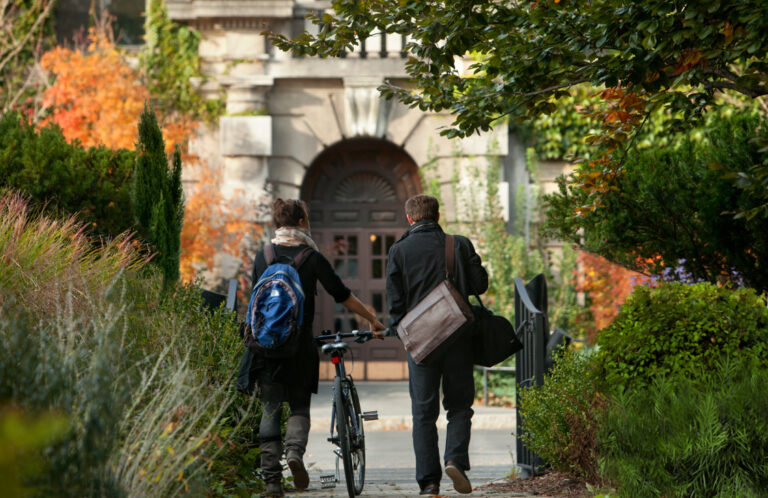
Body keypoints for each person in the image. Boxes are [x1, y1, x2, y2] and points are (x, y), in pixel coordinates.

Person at [251, 198, 386, 497]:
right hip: (299, 345)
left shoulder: (264, 255)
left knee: (270, 408)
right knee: (299, 405)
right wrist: (372, 318)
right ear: (301, 222)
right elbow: (342, 294)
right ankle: (295, 453)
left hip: (266, 346)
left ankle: (272, 482)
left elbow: (253, 302)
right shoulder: (310, 257)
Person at [385, 194, 488, 496]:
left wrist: (400, 331)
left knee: (423, 413)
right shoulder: (458, 244)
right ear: (438, 215)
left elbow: (395, 303)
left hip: (421, 343)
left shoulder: (399, 251)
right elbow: (480, 285)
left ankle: (429, 483)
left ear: (410, 218)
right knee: (459, 406)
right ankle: (455, 458)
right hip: (457, 337)